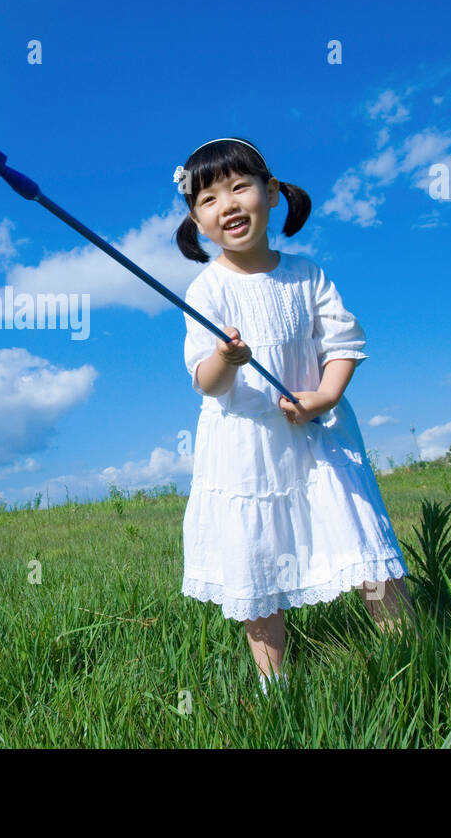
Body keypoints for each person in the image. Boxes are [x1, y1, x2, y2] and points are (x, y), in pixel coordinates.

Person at [173, 137, 418, 698]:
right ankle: (276, 687)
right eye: (209, 198)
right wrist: (225, 359)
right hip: (247, 450)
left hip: (320, 438)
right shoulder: (206, 288)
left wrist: (325, 397)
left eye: (240, 187)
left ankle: (412, 663)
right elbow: (204, 382)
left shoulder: (307, 274)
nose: (228, 204)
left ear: (271, 192)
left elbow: (343, 342)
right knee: (256, 564)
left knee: (365, 547)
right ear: (196, 220)